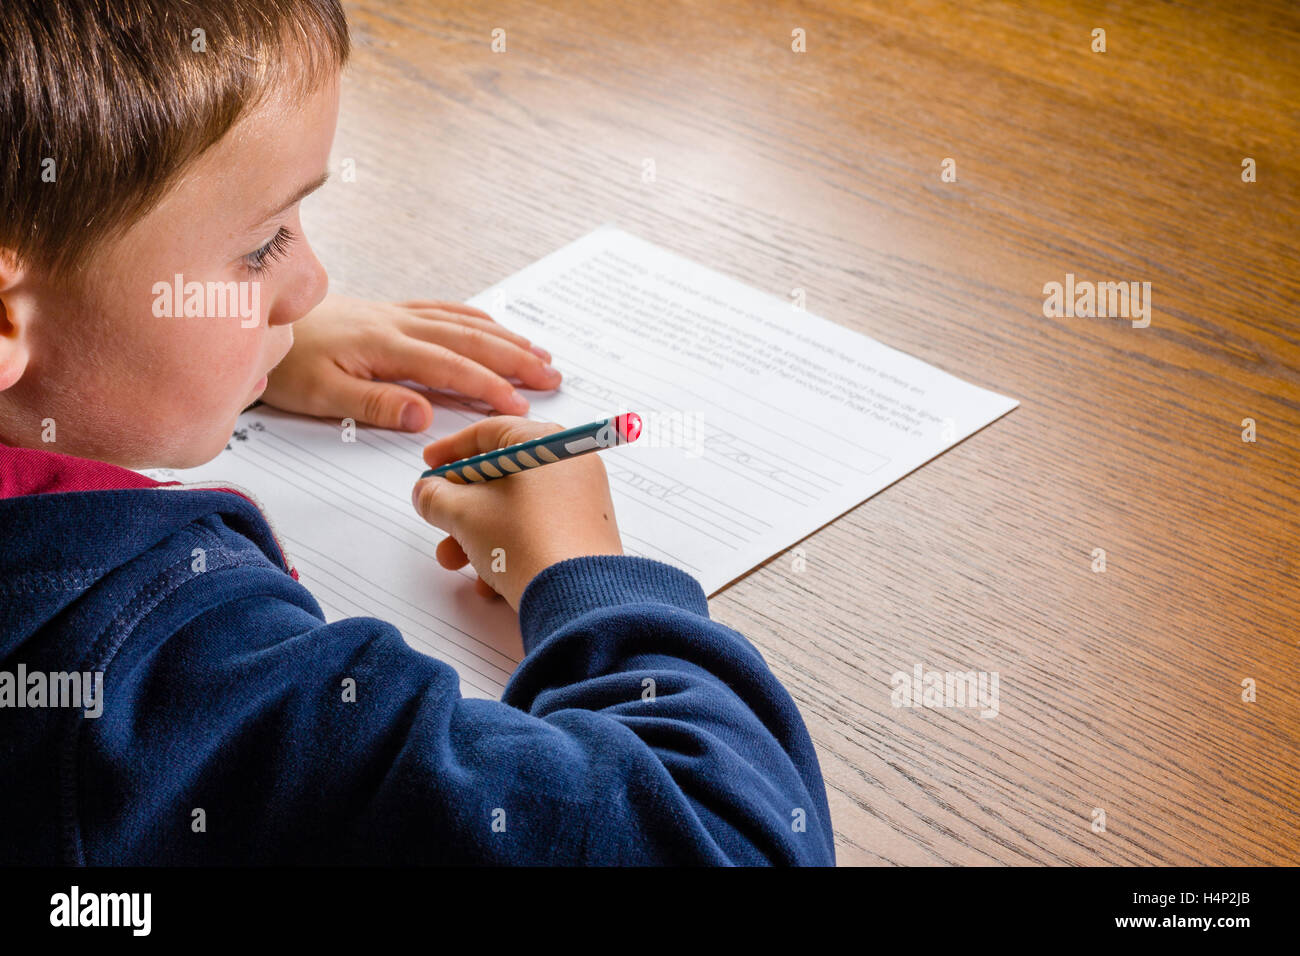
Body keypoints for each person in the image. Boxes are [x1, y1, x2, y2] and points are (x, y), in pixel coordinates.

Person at [0, 0, 834, 865]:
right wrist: (590, 581)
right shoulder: (160, 676)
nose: (311, 284)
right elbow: (734, 842)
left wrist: (215, 348)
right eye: (260, 249)